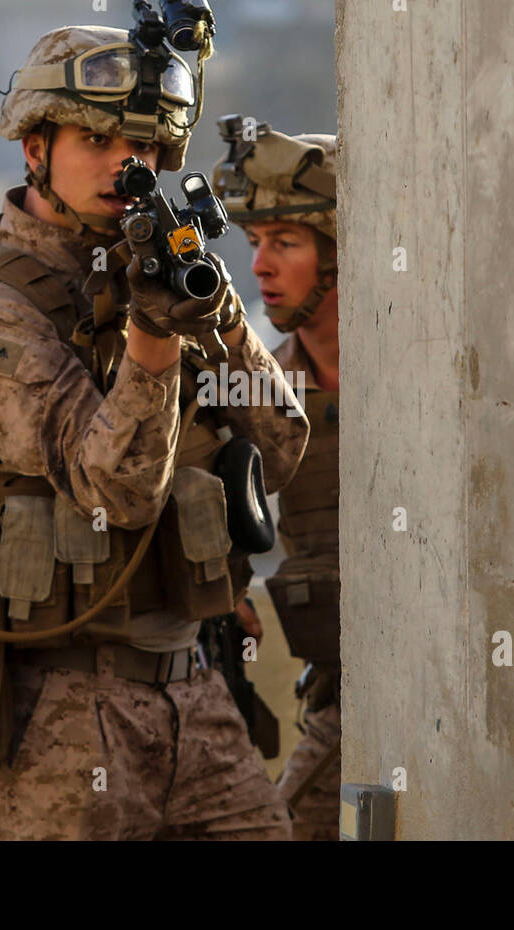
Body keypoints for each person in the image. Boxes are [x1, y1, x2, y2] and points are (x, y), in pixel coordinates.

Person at [0, 25, 308, 840]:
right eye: (95, 138)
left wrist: (211, 312)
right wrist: (152, 341)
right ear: (36, 147)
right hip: (56, 713)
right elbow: (120, 491)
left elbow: (280, 450)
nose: (122, 164)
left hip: (194, 686)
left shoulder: (161, 269)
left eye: (141, 143)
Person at [212, 119, 342, 839]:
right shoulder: (270, 386)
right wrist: (229, 584)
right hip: (336, 694)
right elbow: (213, 491)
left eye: (284, 244)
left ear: (338, 255)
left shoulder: (421, 376)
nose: (259, 267)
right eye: (255, 244)